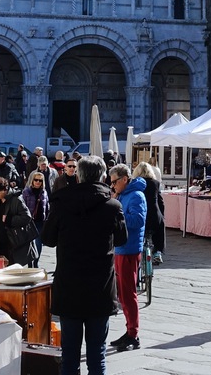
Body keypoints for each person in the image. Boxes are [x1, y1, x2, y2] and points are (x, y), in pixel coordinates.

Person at [43, 155, 126, 375]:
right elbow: (121, 239)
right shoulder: (112, 206)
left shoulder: (61, 203)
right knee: (97, 355)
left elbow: (48, 239)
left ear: (78, 175)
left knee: (69, 355)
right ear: (102, 175)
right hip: (100, 287)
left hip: (69, 285)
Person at [109, 163, 146, 351]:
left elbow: (138, 220)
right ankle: (129, 330)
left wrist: (117, 213)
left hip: (129, 249)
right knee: (123, 294)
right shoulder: (123, 194)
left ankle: (133, 333)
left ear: (125, 179)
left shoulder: (137, 195)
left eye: (115, 181)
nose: (112, 185)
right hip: (122, 248)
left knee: (128, 294)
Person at [0, 176, 38, 266]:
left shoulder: (16, 200)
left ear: (3, 190)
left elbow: (27, 217)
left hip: (12, 242)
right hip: (0, 241)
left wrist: (10, 219)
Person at [132, 160, 165, 263]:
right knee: (160, 227)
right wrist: (162, 215)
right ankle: (158, 251)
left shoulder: (134, 184)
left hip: (141, 215)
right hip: (154, 215)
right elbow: (161, 202)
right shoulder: (155, 183)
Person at [23, 170, 51, 256]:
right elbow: (23, 206)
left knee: (39, 242)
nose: (38, 182)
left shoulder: (44, 192)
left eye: (40, 180)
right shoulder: (26, 191)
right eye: (36, 180)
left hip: (40, 220)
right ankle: (30, 261)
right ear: (32, 180)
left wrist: (47, 218)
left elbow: (47, 206)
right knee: (30, 241)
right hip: (29, 221)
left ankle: (36, 260)